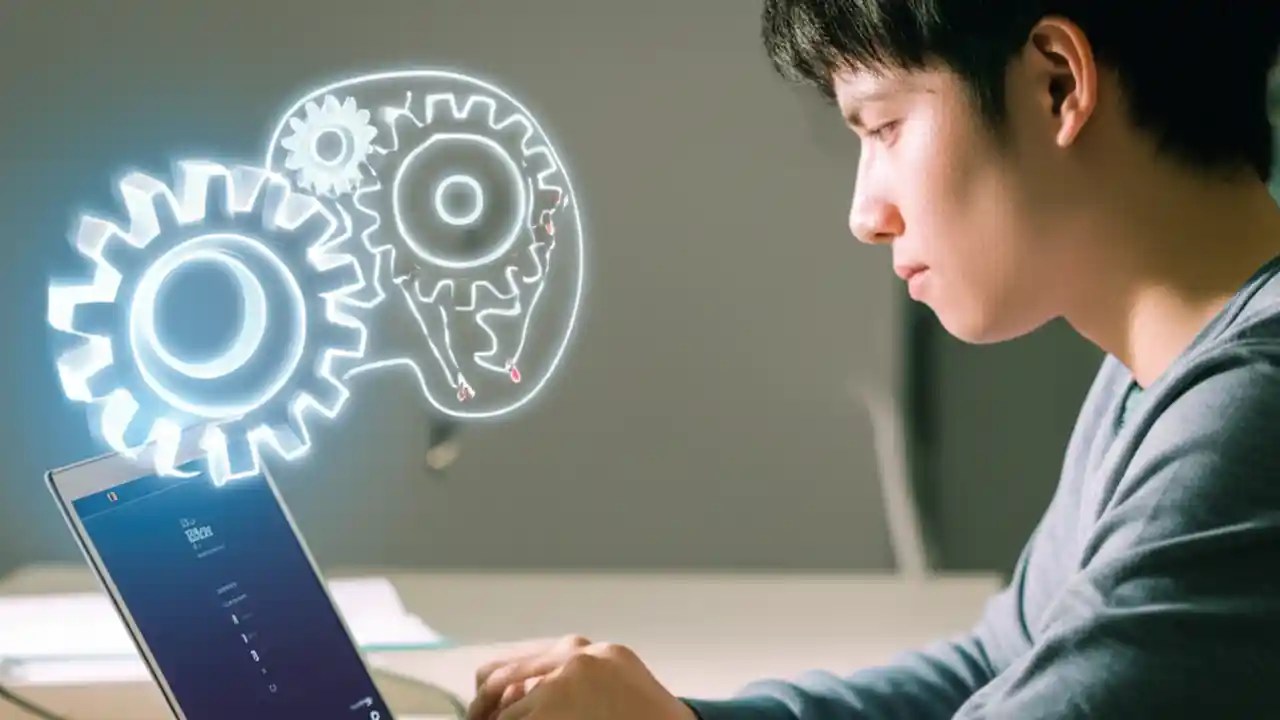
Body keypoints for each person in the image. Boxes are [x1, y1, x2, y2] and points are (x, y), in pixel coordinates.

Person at [465, 1, 1280, 717]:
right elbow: (1000, 665)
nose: (865, 215)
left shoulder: (1253, 411)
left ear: (1058, 85)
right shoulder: (1159, 378)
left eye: (884, 126)